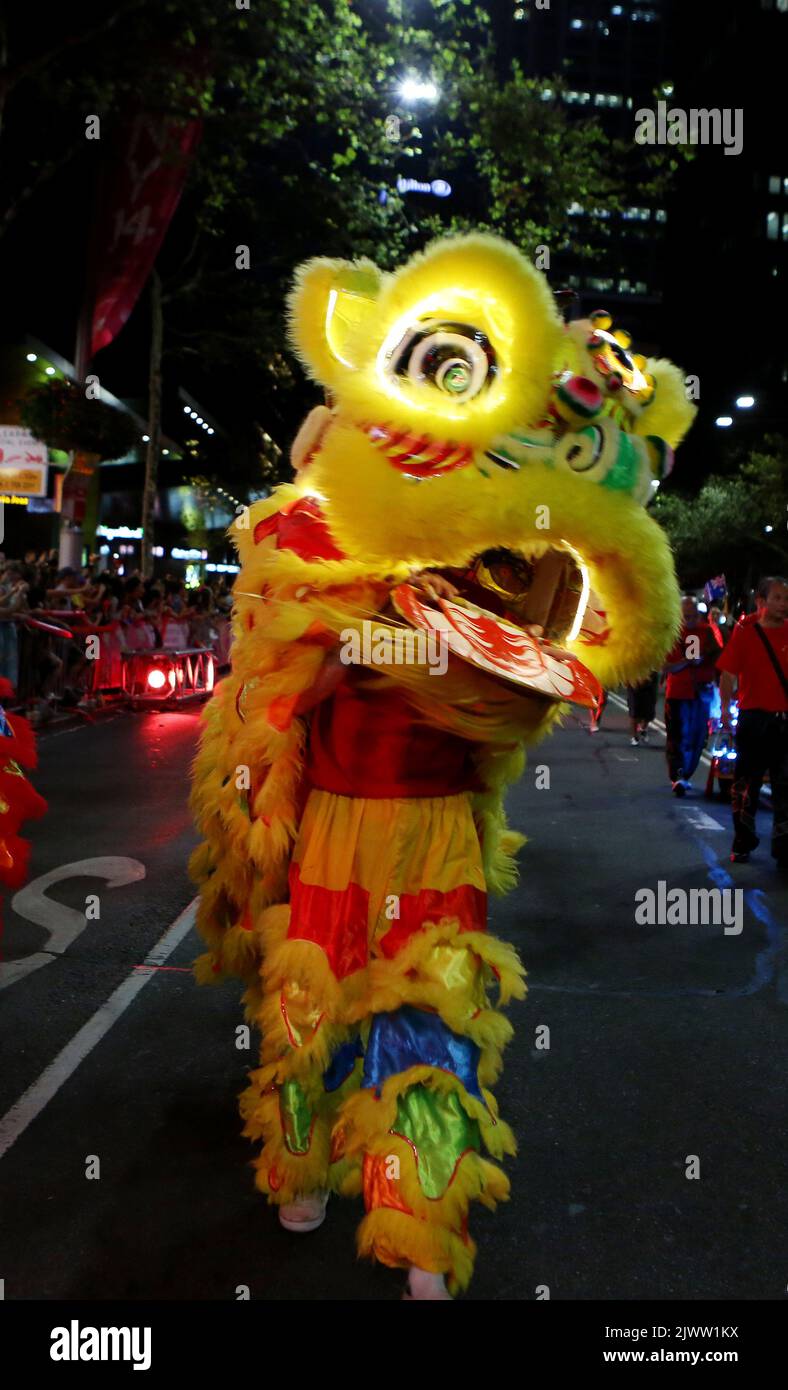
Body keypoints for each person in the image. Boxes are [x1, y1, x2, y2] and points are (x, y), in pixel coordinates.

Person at [717, 576, 788, 866]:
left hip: (785, 722)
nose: (784, 604)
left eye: (786, 599)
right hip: (752, 721)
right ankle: (743, 841)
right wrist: (724, 709)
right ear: (761, 602)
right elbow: (728, 674)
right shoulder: (745, 633)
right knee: (747, 785)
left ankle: (783, 848)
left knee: (786, 786)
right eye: (778, 598)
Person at [662, 595, 719, 796]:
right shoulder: (671, 634)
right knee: (677, 736)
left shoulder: (708, 632)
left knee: (698, 738)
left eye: (694, 615)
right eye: (686, 616)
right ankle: (677, 776)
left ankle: (685, 775)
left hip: (701, 693)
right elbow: (665, 665)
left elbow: (721, 656)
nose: (690, 619)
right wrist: (687, 661)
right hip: (678, 693)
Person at [626, 671, 658, 745]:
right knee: (634, 713)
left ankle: (643, 728)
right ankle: (634, 736)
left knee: (649, 714)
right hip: (633, 681)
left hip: (649, 684)